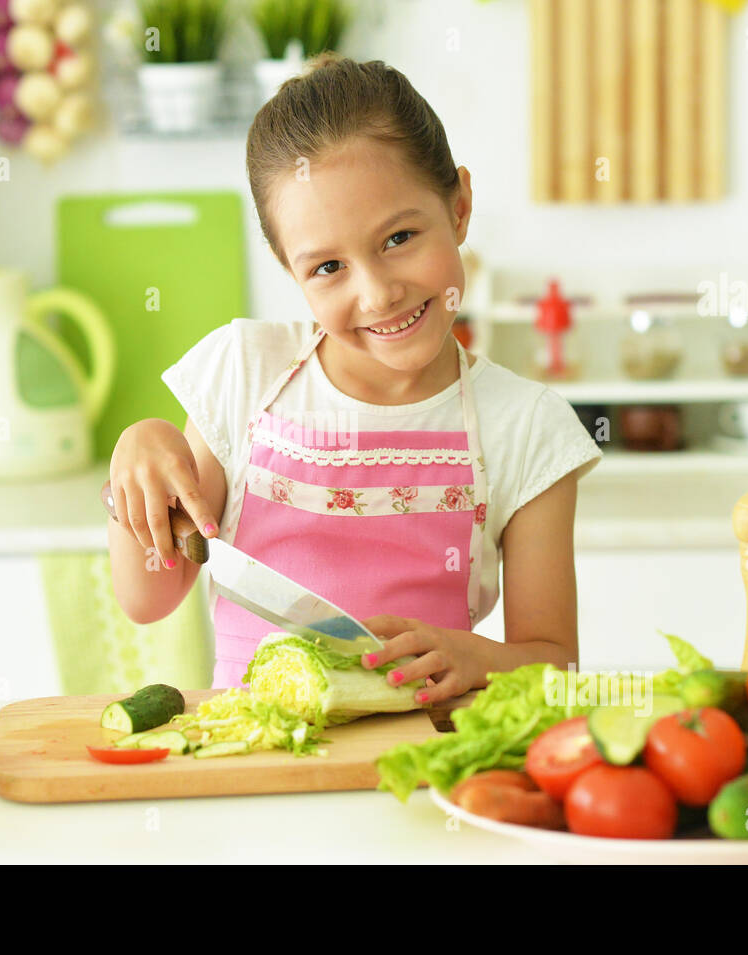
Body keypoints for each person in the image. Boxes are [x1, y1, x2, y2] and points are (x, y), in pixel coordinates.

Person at [106, 53, 601, 703]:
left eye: (398, 237)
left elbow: (554, 667)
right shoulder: (242, 374)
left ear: (459, 207)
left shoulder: (526, 424)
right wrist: (134, 454)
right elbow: (148, 598)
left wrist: (476, 656)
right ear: (290, 271)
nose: (376, 294)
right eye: (328, 266)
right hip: (255, 767)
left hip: (423, 766)